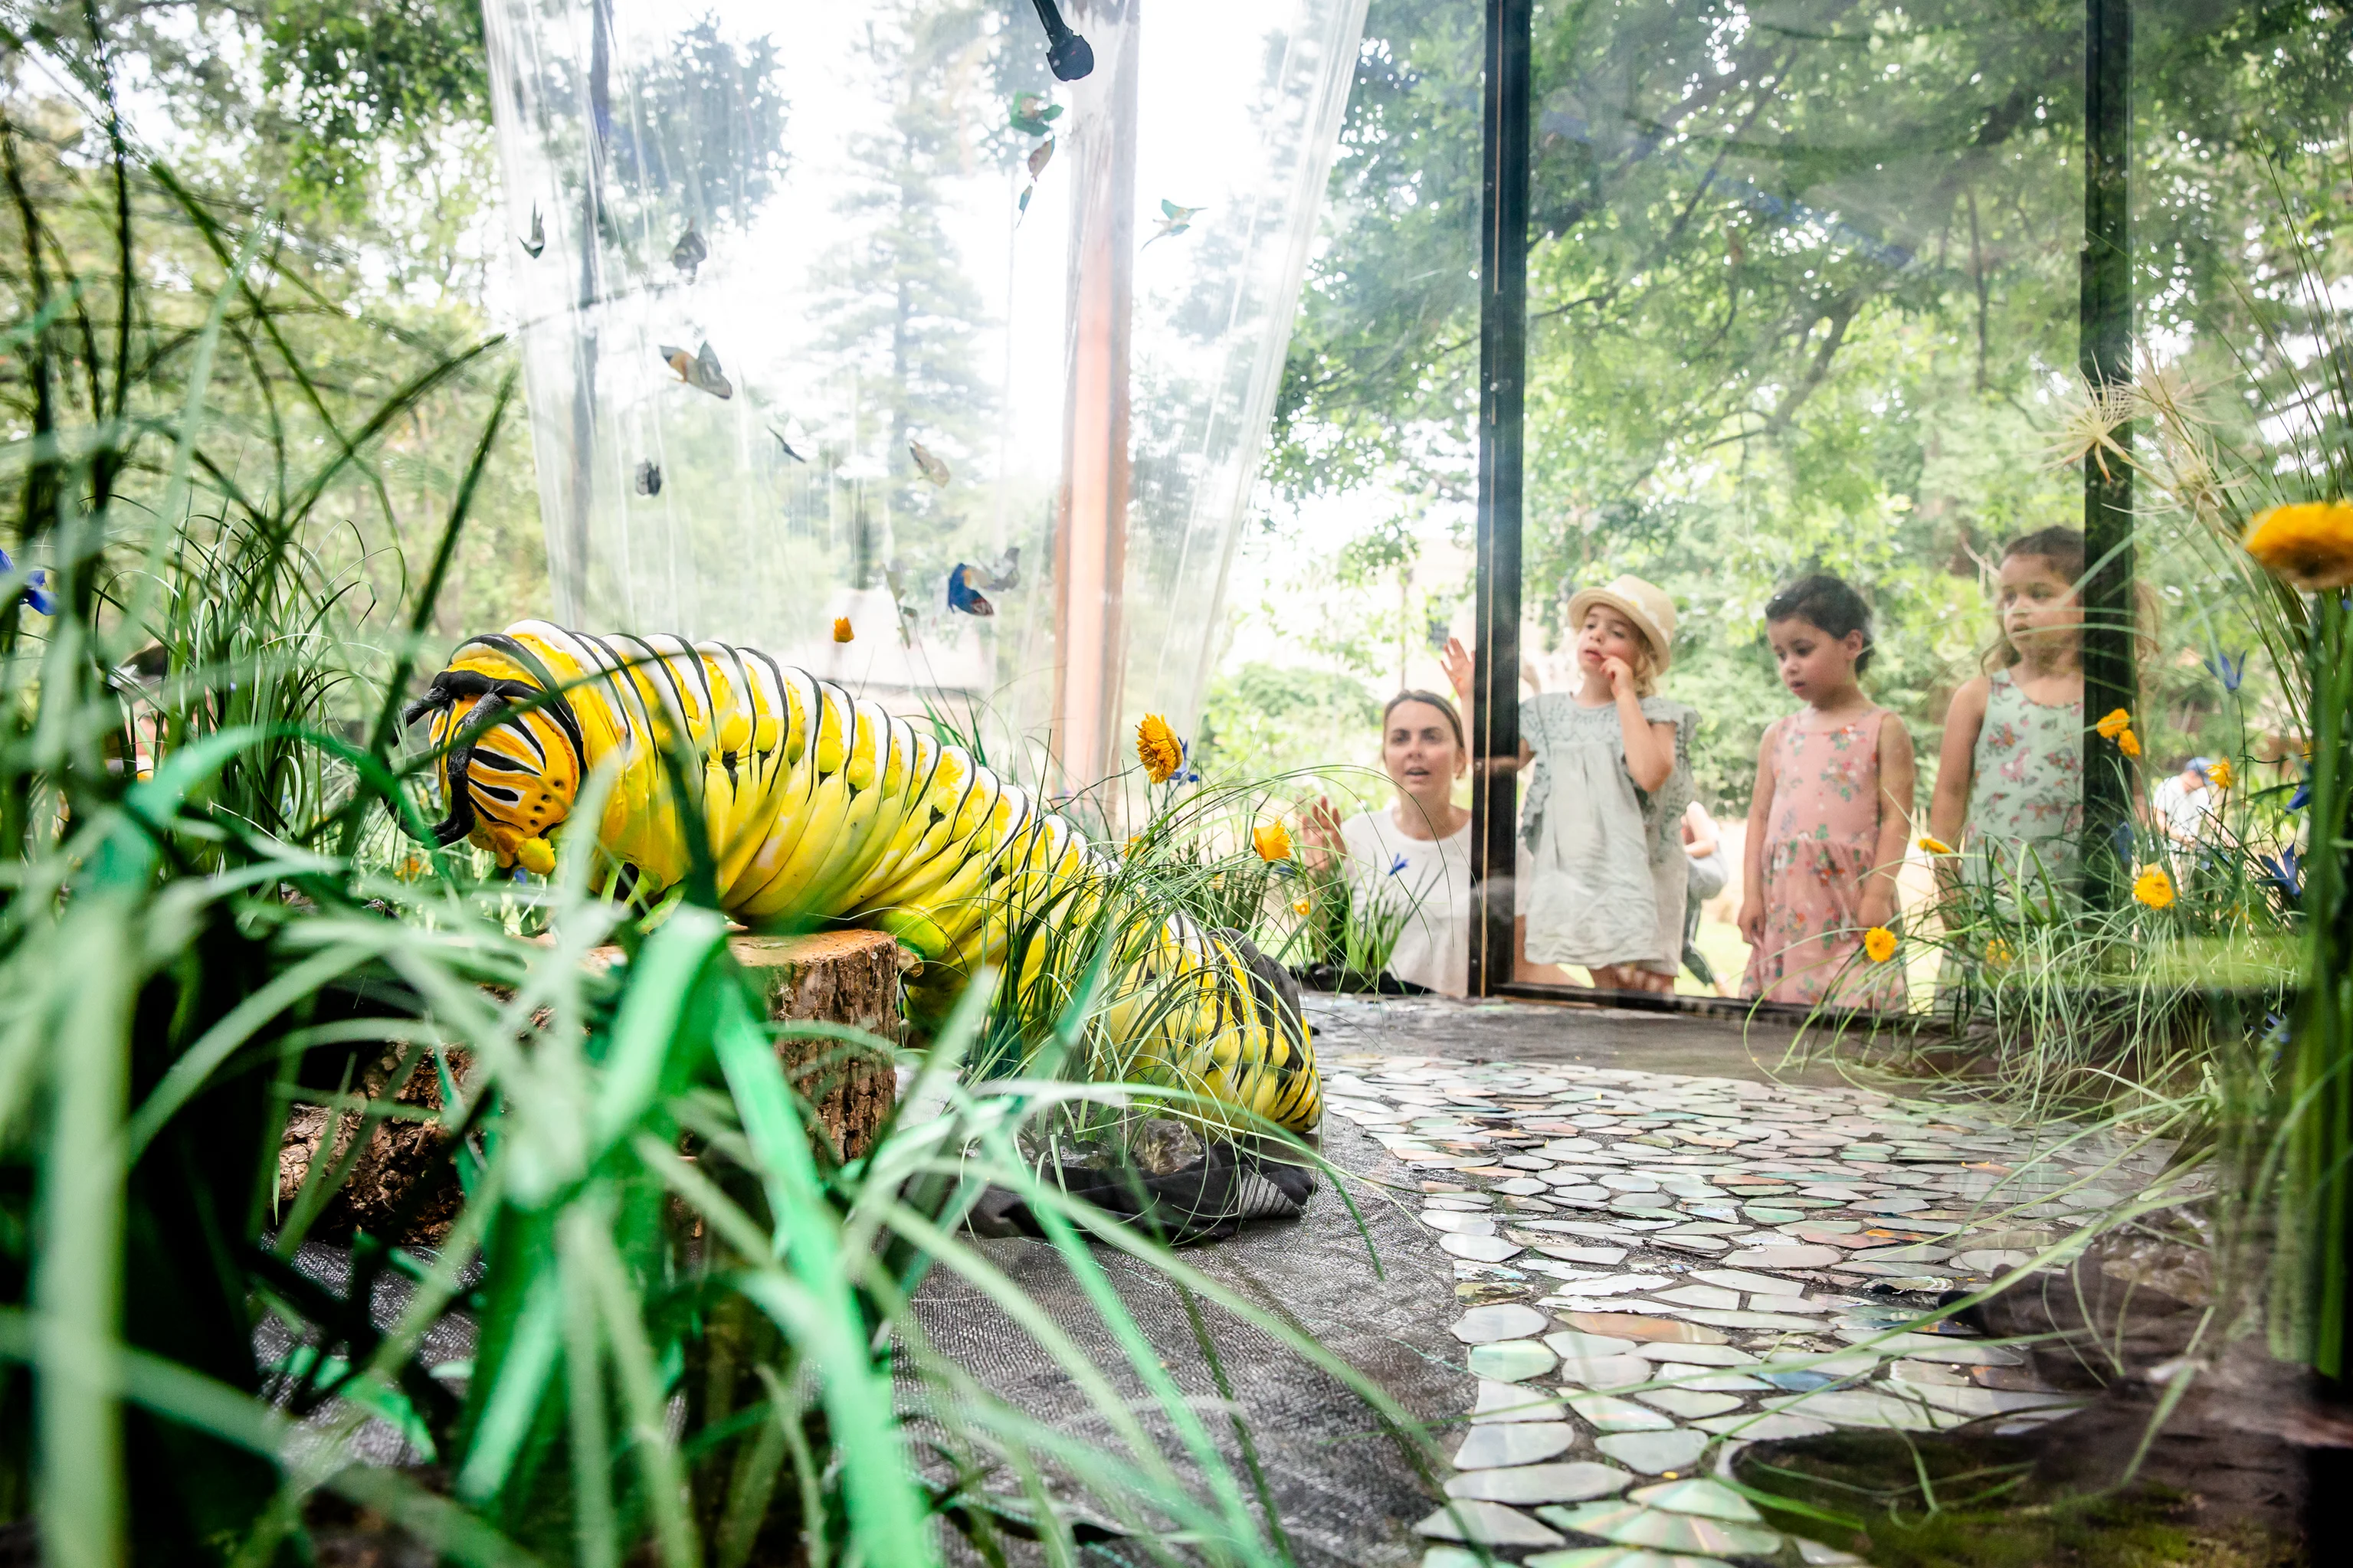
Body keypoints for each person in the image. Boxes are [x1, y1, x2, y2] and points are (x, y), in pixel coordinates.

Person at [1447, 574, 1694, 994]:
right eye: (1591, 625)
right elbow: (1488, 765)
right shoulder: (1547, 713)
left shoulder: (1655, 713)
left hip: (1644, 878)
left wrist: (1626, 696)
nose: (1598, 636)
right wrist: (1470, 696)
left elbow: (1650, 773)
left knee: (1649, 996)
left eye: (1617, 632)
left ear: (1643, 656)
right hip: (1583, 876)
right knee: (1608, 994)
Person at [1737, 574, 1916, 1009]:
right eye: (1780, 655)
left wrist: (1877, 893)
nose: (1789, 666)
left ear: (1852, 644)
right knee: (1783, 1016)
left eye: (1802, 650)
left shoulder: (1884, 728)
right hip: (1788, 900)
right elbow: (1759, 818)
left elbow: (1897, 818)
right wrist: (1751, 894)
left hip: (1850, 901)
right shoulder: (1778, 736)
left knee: (1854, 1017)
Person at [1922, 527, 2087, 911]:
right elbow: (1949, 796)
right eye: (2009, 597)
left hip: (2077, 909)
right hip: (1989, 903)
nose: (2019, 608)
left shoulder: (2106, 698)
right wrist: (1948, 888)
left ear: (2086, 603)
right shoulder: (1979, 697)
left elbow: (2134, 792)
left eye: (2040, 593)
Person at [1302, 690, 1471, 995]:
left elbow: (1520, 966)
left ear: (1461, 757)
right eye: (1400, 739)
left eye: (1432, 737)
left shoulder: (1491, 843)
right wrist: (1320, 879)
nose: (1415, 750)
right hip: (1374, 1032)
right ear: (1385, 757)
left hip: (1464, 1033)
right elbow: (1330, 954)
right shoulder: (1356, 836)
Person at [1680, 799, 1729, 993]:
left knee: (1683, 945)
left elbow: (1708, 844)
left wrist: (1675, 853)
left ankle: (1721, 983)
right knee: (1683, 948)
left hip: (1700, 875)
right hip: (1689, 881)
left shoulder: (1691, 808)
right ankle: (1719, 984)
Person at [2150, 757, 2214, 880]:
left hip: (2190, 850)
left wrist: (2228, 840)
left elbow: (2212, 820)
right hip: (2166, 849)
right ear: (2191, 775)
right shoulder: (2168, 787)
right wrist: (2180, 837)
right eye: (2203, 781)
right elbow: (2158, 820)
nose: (2204, 786)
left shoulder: (2202, 793)